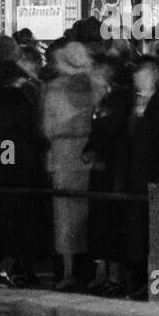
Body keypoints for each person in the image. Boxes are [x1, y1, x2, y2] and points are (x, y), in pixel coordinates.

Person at [0, 59, 43, 287]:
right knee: (18, 221)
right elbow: (16, 136)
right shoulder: (19, 101)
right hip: (15, 168)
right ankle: (14, 266)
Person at [41, 40, 94, 290]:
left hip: (63, 155)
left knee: (65, 215)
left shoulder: (53, 90)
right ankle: (94, 269)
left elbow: (46, 128)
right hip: (89, 154)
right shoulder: (95, 87)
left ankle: (68, 270)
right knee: (90, 212)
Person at [123, 57, 159, 298]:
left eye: (141, 74)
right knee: (140, 233)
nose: (137, 79)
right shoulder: (133, 102)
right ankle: (145, 282)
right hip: (136, 175)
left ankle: (157, 285)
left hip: (154, 174)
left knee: (156, 234)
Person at [84, 57, 131, 295]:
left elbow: (112, 131)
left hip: (113, 169)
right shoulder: (102, 100)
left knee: (111, 221)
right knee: (101, 221)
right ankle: (103, 272)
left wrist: (96, 150)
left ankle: (114, 274)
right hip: (102, 168)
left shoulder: (117, 100)